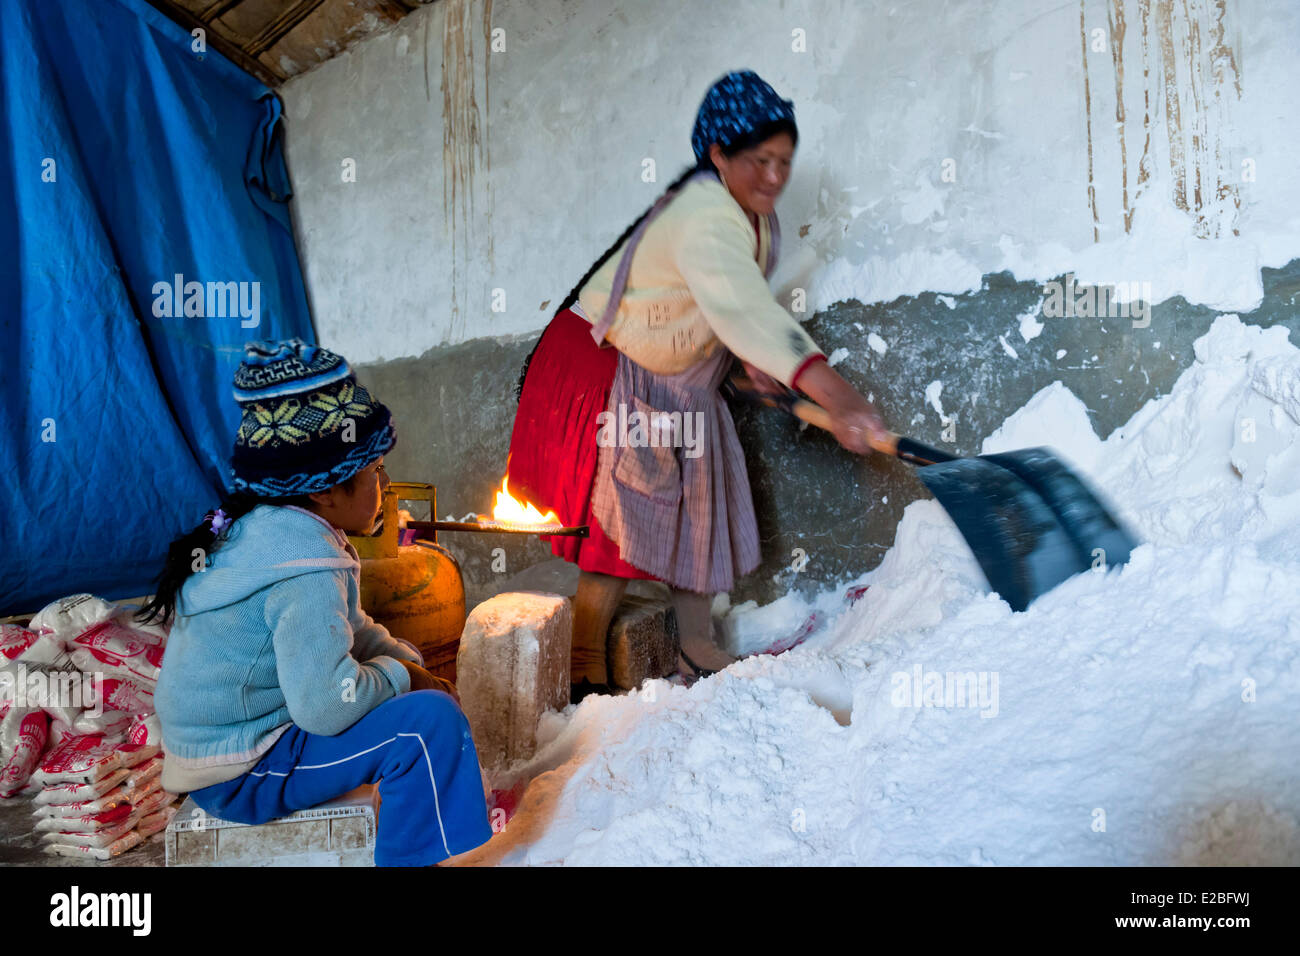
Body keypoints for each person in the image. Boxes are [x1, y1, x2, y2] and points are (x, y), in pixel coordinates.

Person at [508, 70, 888, 702]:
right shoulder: (706, 212)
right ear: (718, 155)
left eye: (784, 162)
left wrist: (749, 369)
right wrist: (841, 399)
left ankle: (695, 642)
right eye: (758, 160)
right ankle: (581, 668)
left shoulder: (755, 217)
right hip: (612, 363)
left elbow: (716, 312)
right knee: (623, 520)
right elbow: (747, 312)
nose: (774, 177)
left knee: (697, 507)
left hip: (681, 380)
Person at [146, 339, 492, 867]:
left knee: (419, 699)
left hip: (229, 755)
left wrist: (407, 666)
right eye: (375, 471)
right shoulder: (302, 565)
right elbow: (326, 707)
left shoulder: (277, 529)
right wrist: (406, 683)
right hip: (244, 772)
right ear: (326, 491)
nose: (384, 484)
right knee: (428, 726)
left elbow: (350, 628)